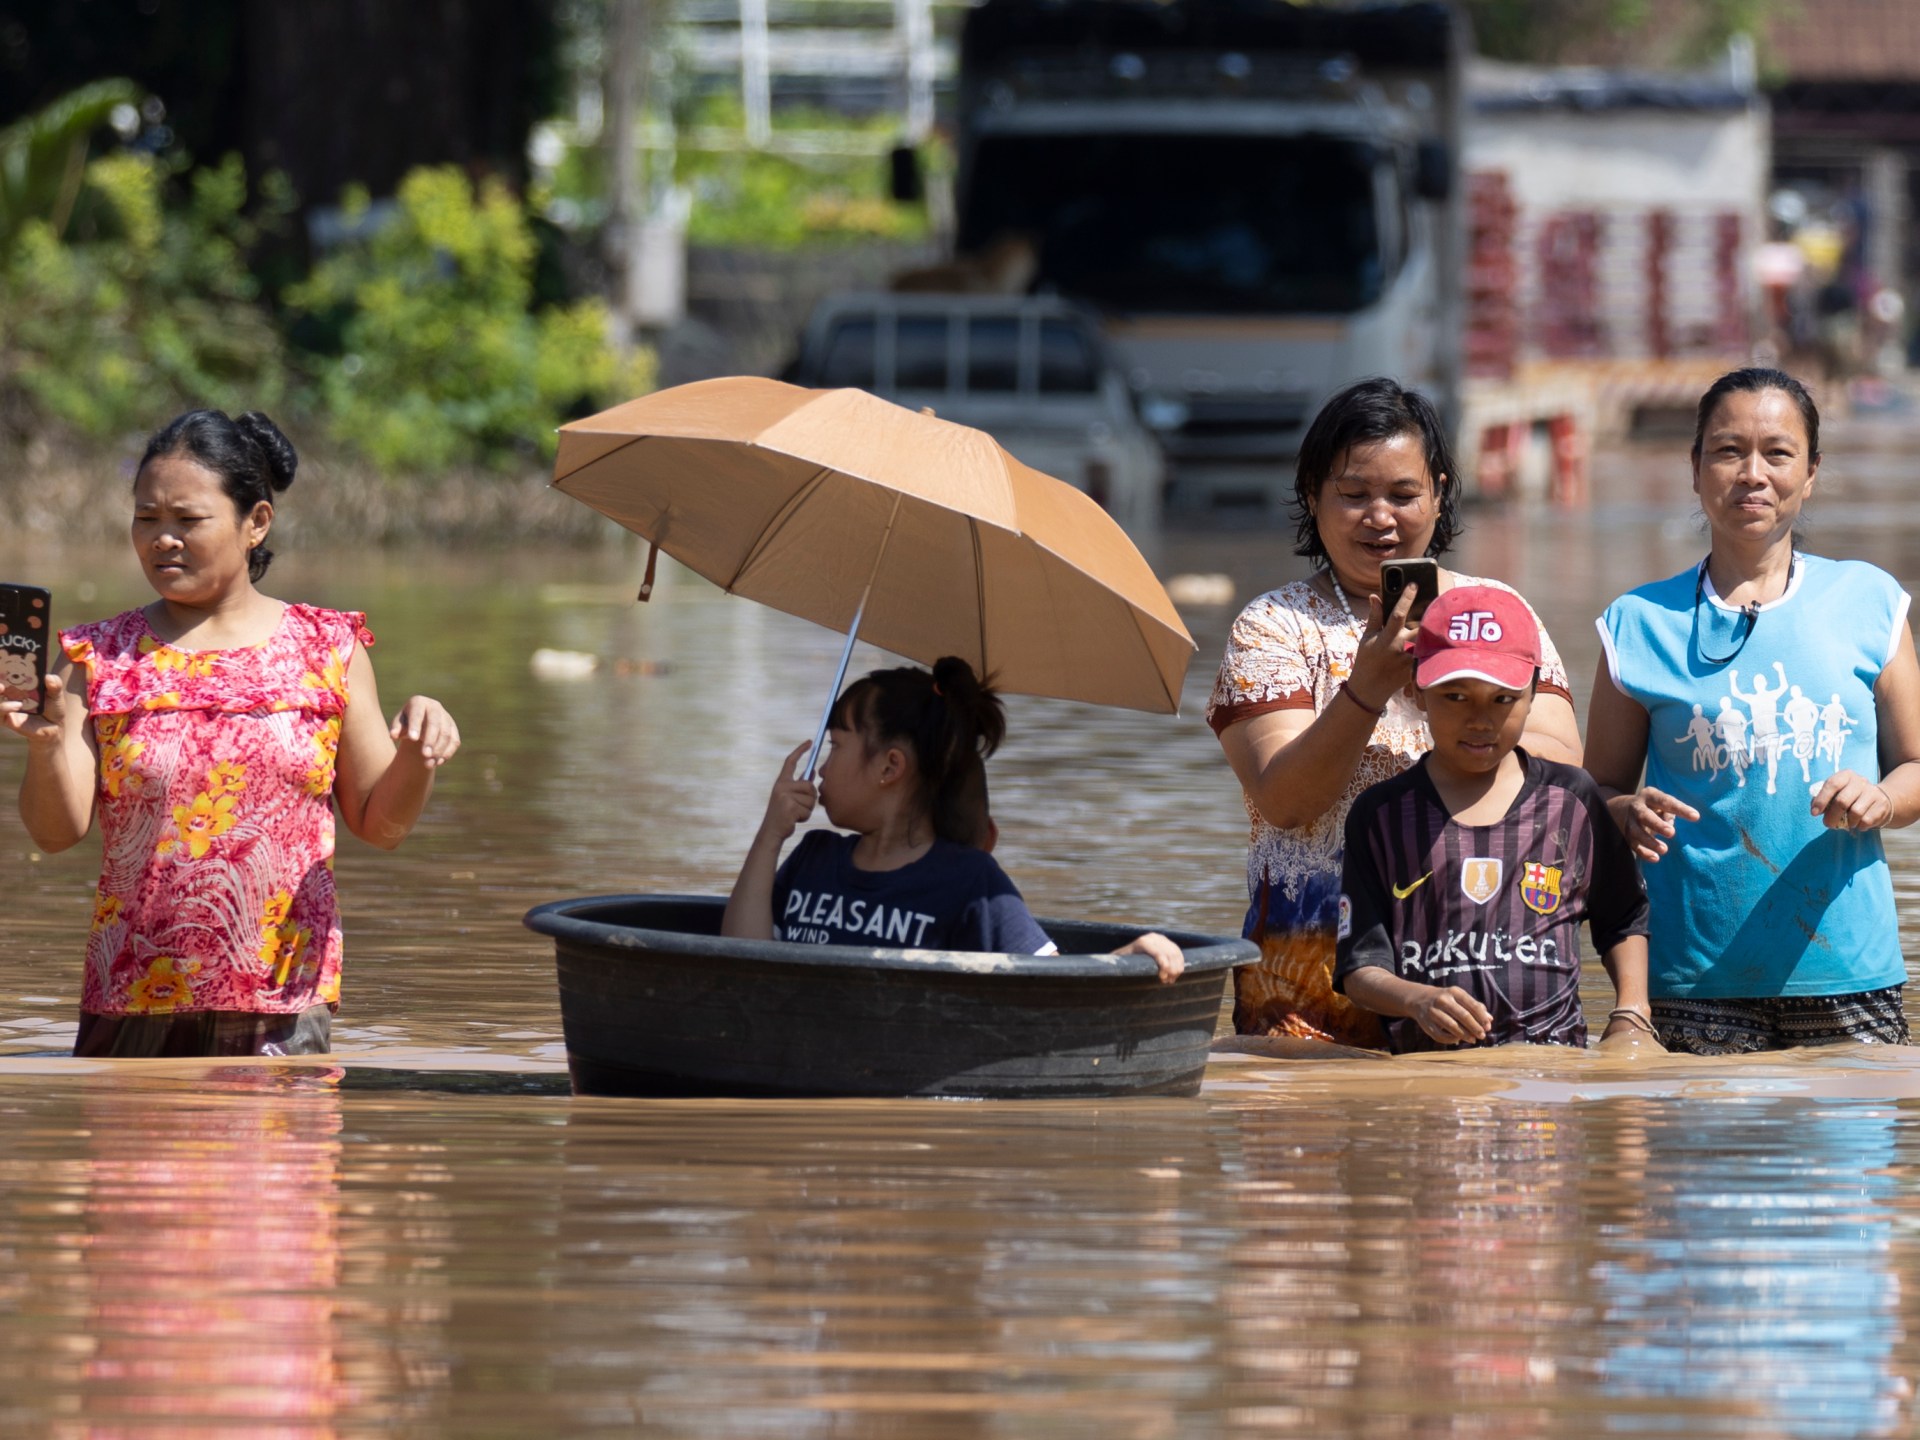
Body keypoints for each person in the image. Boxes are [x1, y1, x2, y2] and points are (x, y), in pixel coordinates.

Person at [1, 409, 460, 1057]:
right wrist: (46, 747)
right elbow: (54, 834)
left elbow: (381, 826)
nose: (163, 539)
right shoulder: (95, 658)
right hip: (132, 992)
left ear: (257, 523)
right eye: (146, 518)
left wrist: (419, 754)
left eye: (188, 520)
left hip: (282, 1000)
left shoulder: (328, 649)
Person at [1207, 377, 1581, 1046]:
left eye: (1403, 495)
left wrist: (1458, 708)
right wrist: (1368, 688)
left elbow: (1561, 779)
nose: (1380, 517)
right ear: (1312, 497)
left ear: (1439, 492)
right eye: (1354, 495)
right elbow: (1286, 799)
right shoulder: (1273, 627)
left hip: (1472, 960)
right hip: (1307, 970)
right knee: (1305, 1137)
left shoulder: (1498, 613)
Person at [1585, 367, 1920, 1054]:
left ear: (1813, 470)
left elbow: (1916, 766)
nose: (1752, 474)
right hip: (1692, 981)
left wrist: (1881, 799)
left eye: (1777, 452)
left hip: (1848, 971)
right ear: (1696, 466)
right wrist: (1623, 812)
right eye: (1729, 451)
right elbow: (1595, 792)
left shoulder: (1870, 602)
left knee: (1853, 1160)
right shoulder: (1638, 623)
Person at [722, 656, 1185, 981]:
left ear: (890, 767)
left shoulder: (969, 881)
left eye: (836, 745)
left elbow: (1054, 984)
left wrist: (1131, 954)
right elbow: (740, 964)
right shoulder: (813, 858)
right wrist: (769, 835)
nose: (820, 767)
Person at [1333, 586, 1654, 1053]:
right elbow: (1359, 968)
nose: (1480, 720)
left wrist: (1631, 1012)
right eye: (1456, 696)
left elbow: (1623, 918)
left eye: (1503, 699)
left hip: (1551, 1075)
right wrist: (1417, 1000)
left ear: (1534, 694)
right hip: (1431, 1081)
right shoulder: (1380, 816)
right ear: (1416, 689)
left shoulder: (1572, 801)